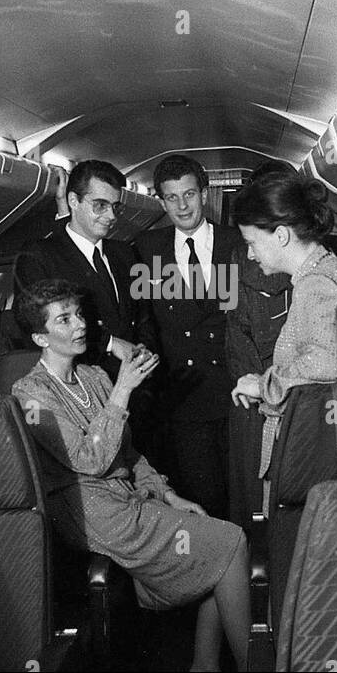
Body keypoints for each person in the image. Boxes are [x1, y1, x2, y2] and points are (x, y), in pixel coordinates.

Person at [11, 278, 251, 671]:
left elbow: (128, 453)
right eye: (64, 320)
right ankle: (249, 665)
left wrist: (167, 494)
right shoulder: (31, 394)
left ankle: (205, 666)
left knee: (214, 542)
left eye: (79, 315)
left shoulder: (95, 378)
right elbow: (90, 460)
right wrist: (123, 391)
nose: (80, 325)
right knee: (233, 542)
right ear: (40, 337)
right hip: (88, 511)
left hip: (125, 498)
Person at [229, 171, 337, 508]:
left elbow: (325, 364)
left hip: (324, 455)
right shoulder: (330, 271)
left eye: (252, 242)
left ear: (281, 235)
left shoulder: (315, 285)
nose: (250, 255)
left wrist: (263, 386)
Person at [133, 154, 242, 520]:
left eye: (190, 194)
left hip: (234, 389)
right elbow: (145, 319)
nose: (182, 206)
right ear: (161, 201)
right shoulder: (147, 249)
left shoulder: (236, 243)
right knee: (202, 496)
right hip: (181, 394)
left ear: (205, 194)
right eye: (172, 198)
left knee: (240, 493)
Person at [13, 159, 156, 379]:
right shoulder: (38, 257)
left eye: (115, 206)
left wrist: (143, 354)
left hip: (136, 386)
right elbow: (38, 326)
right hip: (80, 383)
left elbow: (144, 315)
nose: (111, 216)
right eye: (100, 205)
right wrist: (109, 344)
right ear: (73, 200)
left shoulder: (125, 253)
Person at [225, 160, 295, 527]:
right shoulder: (237, 256)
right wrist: (251, 384)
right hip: (256, 388)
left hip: (281, 390)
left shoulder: (317, 274)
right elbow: (234, 331)